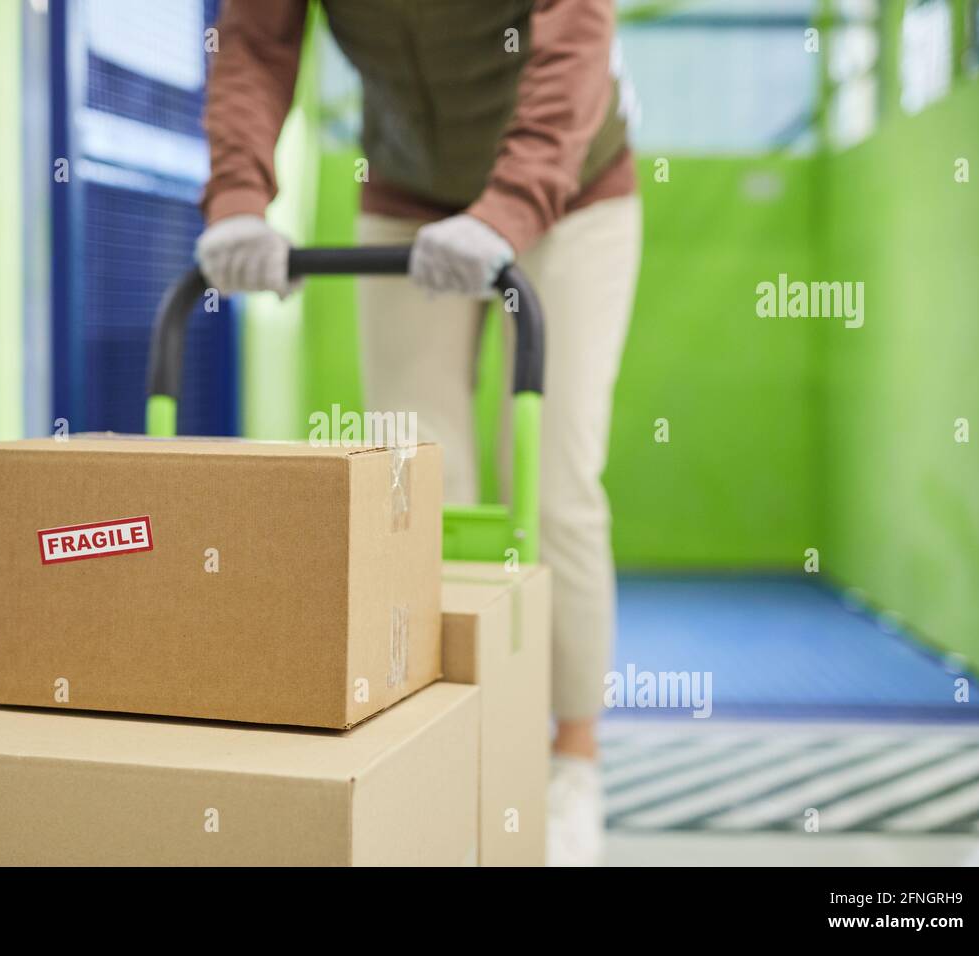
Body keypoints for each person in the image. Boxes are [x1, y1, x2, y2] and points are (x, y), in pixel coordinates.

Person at [195, 0, 640, 866]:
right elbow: (254, 41)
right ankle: (452, 736)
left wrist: (509, 207)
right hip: (405, 186)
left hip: (575, 187)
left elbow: (576, 39)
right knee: (415, 486)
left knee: (553, 490)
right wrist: (239, 193)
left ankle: (574, 762)